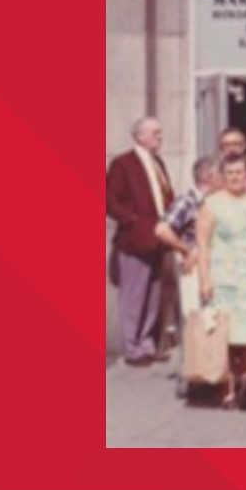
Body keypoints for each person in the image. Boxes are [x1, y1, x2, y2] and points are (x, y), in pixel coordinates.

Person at [195, 153, 246, 407]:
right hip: (224, 276)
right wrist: (204, 279)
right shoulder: (212, 203)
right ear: (222, 177)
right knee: (226, 335)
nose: (235, 177)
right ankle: (227, 389)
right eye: (230, 173)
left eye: (240, 172)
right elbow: (203, 243)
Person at [107, 116, 177, 367]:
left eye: (160, 131)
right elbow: (110, 201)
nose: (160, 136)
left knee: (153, 294)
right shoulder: (123, 164)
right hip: (135, 241)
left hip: (159, 239)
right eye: (155, 132)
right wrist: (135, 222)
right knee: (134, 294)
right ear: (140, 136)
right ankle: (132, 346)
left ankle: (146, 343)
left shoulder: (157, 162)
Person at [157, 155, 221, 365]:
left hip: (209, 263)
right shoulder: (188, 200)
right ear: (210, 177)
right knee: (192, 316)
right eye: (221, 173)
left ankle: (208, 367)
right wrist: (186, 250)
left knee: (210, 316)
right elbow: (162, 230)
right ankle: (191, 370)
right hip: (191, 269)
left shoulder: (215, 202)